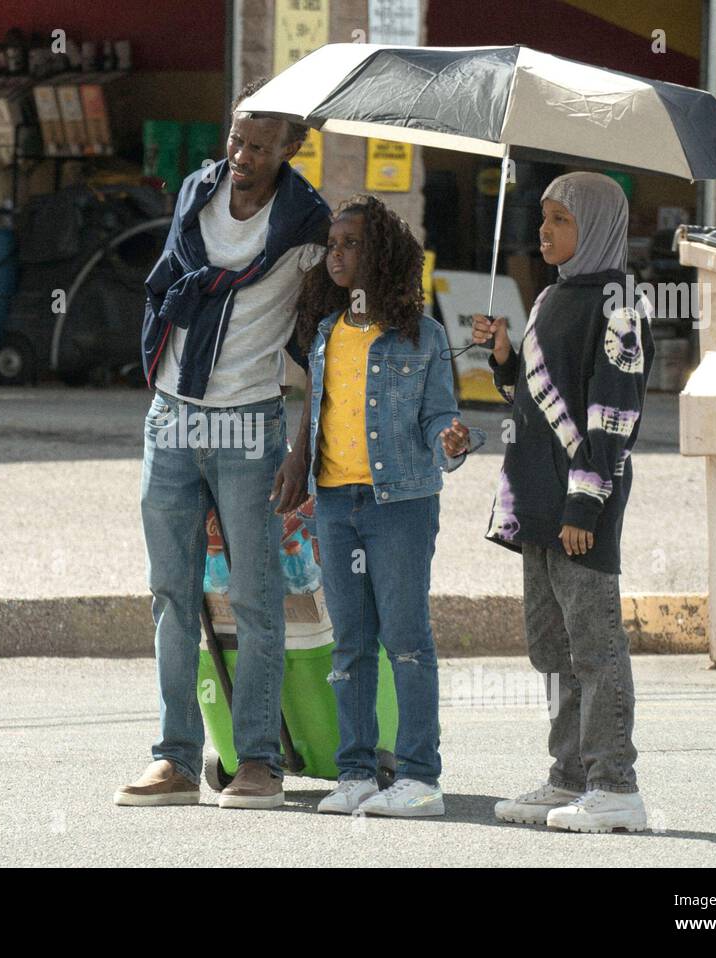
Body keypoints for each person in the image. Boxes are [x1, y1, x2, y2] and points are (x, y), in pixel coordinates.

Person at [114, 78, 330, 810]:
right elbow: (170, 287)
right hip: (173, 419)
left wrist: (303, 448)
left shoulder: (306, 223)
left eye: (260, 145)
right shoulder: (196, 192)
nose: (241, 155)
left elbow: (321, 345)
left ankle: (259, 761)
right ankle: (174, 758)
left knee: (257, 599)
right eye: (236, 138)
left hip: (248, 427)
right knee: (171, 595)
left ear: (292, 148)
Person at [275, 195, 480, 817]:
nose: (337, 254)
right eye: (332, 245)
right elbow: (317, 409)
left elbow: (440, 413)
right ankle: (356, 772)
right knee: (351, 642)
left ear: (382, 254)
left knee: (407, 638)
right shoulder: (325, 334)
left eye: (351, 244)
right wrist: (295, 461)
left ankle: (420, 777)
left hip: (402, 504)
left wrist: (450, 441)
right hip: (336, 503)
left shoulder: (422, 336)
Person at [473, 171, 655, 833]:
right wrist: (503, 360)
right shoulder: (554, 296)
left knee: (595, 648)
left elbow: (612, 416)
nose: (544, 231)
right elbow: (540, 401)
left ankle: (615, 786)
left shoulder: (618, 306)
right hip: (538, 502)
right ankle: (568, 775)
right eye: (543, 217)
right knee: (551, 649)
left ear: (598, 226)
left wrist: (586, 506)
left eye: (561, 220)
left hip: (581, 509)